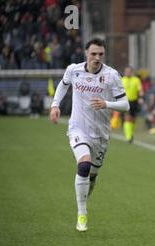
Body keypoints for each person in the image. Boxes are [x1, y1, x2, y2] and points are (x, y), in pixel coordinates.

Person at [49, 38, 129, 232]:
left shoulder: (111, 75)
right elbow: (63, 84)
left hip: (100, 133)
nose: (97, 57)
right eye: (93, 54)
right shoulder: (73, 70)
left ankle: (84, 196)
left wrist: (107, 104)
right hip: (78, 128)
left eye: (100, 54)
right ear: (86, 53)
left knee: (92, 175)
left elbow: (126, 105)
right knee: (83, 164)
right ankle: (82, 213)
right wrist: (55, 105)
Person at [121, 66, 144, 143]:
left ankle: (130, 134)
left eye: (129, 71)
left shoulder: (136, 80)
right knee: (127, 118)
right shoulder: (122, 80)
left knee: (133, 119)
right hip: (124, 101)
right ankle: (129, 137)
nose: (128, 72)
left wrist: (141, 97)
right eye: (126, 71)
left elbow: (140, 90)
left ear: (132, 72)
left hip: (134, 101)